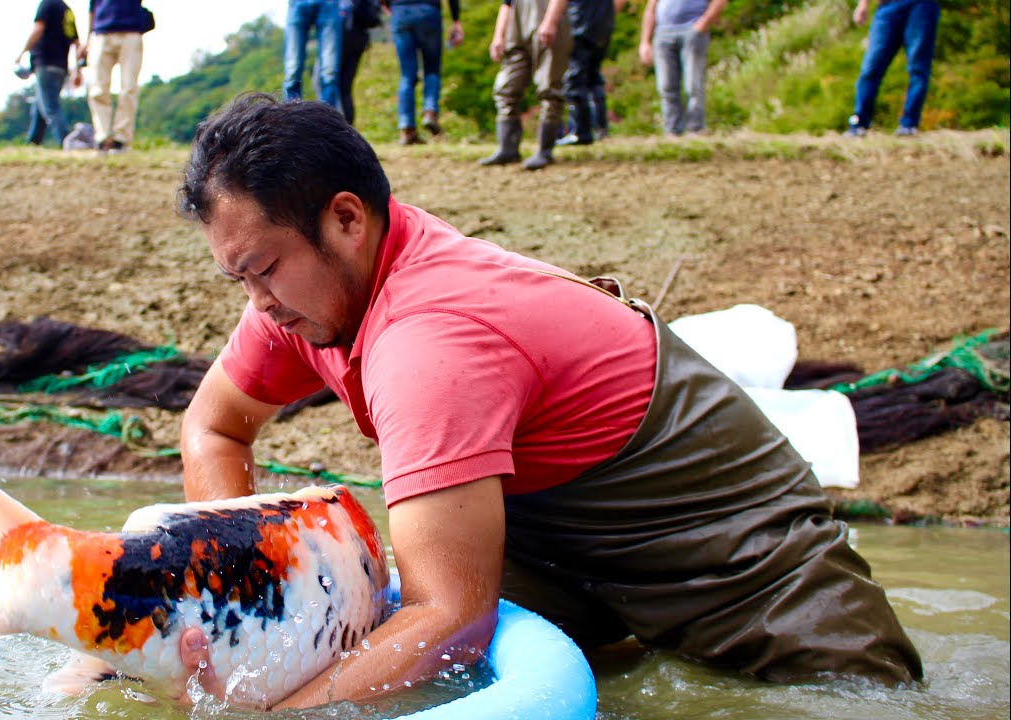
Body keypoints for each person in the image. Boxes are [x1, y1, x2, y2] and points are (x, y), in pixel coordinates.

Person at [172, 94, 924, 708]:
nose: (257, 304)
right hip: (560, 553)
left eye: (264, 269)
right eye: (237, 277)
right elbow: (213, 429)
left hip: (743, 571)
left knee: (861, 702)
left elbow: (452, 621)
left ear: (346, 219)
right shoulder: (299, 297)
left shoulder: (430, 340)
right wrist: (242, 589)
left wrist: (275, 711)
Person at [478, 0, 572, 170]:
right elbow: (507, 3)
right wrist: (499, 36)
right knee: (507, 87)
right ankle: (507, 148)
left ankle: (544, 151)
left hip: (549, 16)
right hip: (517, 23)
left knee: (549, 87)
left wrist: (550, 21)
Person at [844, 0, 940, 137]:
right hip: (886, 7)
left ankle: (909, 124)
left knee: (918, 69)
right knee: (869, 70)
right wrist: (863, 5)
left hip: (921, 5)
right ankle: (858, 124)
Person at [638, 0, 725, 136]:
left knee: (693, 84)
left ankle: (695, 129)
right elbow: (650, 10)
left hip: (692, 30)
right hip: (663, 34)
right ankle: (672, 131)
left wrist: (704, 23)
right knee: (666, 86)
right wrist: (645, 42)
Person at [387, 0, 464, 145]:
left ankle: (407, 129)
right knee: (432, 70)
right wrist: (456, 20)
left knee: (407, 75)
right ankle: (430, 112)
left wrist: (388, 7)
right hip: (428, 11)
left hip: (400, 11)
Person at [85, 0, 151, 152]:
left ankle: (120, 139)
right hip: (100, 32)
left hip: (131, 31)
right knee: (97, 89)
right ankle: (102, 138)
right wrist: (88, 38)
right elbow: (92, 8)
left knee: (129, 87)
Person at [16, 0, 82, 148]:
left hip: (46, 63)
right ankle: (33, 144)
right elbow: (76, 43)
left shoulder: (47, 4)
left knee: (50, 107)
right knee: (40, 107)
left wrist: (22, 53)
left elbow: (38, 29)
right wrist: (77, 70)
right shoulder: (67, 10)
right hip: (61, 67)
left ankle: (66, 141)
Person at [557, 0, 624, 146]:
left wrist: (552, 20)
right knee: (593, 77)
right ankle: (600, 129)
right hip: (602, 25)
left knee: (575, 78)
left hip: (581, 23)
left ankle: (580, 131)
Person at [313, 0, 383, 125]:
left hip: (339, 31)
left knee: (322, 80)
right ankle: (348, 128)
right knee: (345, 87)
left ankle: (333, 126)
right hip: (359, 35)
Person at [283, 0, 344, 109]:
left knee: (329, 74)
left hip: (328, 4)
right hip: (297, 4)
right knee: (292, 70)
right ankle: (290, 119)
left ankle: (327, 120)